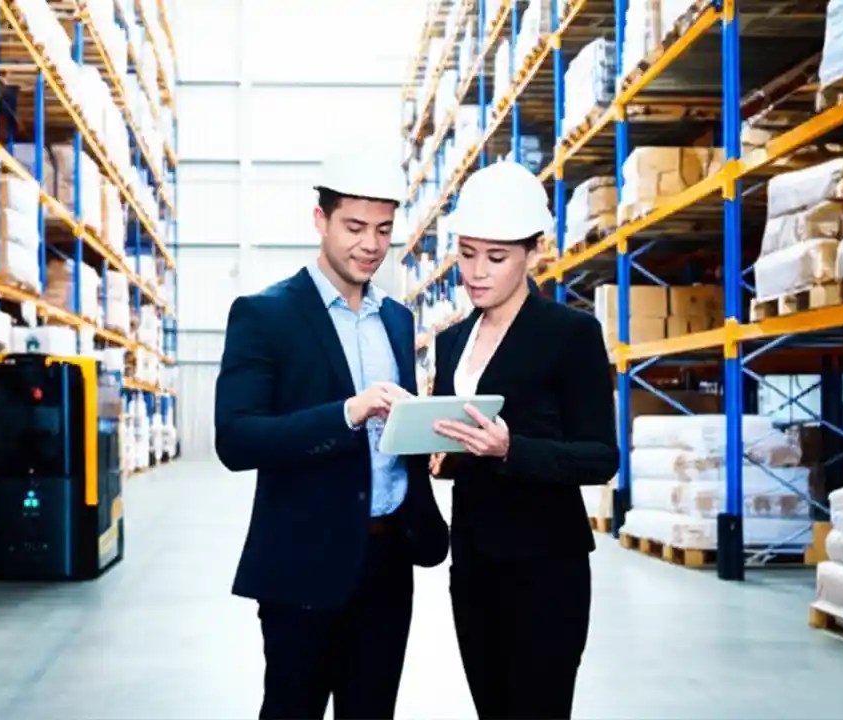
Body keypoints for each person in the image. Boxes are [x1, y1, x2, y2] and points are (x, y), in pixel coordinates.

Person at [214, 149, 450, 719]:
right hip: (304, 562)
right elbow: (237, 439)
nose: (371, 244)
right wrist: (346, 413)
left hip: (388, 560)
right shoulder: (264, 315)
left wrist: (429, 434)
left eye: (384, 230)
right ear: (320, 221)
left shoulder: (396, 319)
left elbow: (393, 433)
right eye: (355, 227)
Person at [429, 160, 619, 719]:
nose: (477, 272)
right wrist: (442, 459)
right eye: (466, 254)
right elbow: (459, 446)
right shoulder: (451, 343)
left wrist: (513, 449)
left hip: (545, 569)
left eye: (496, 257)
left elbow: (600, 457)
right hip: (472, 564)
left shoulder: (570, 335)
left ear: (532, 252)